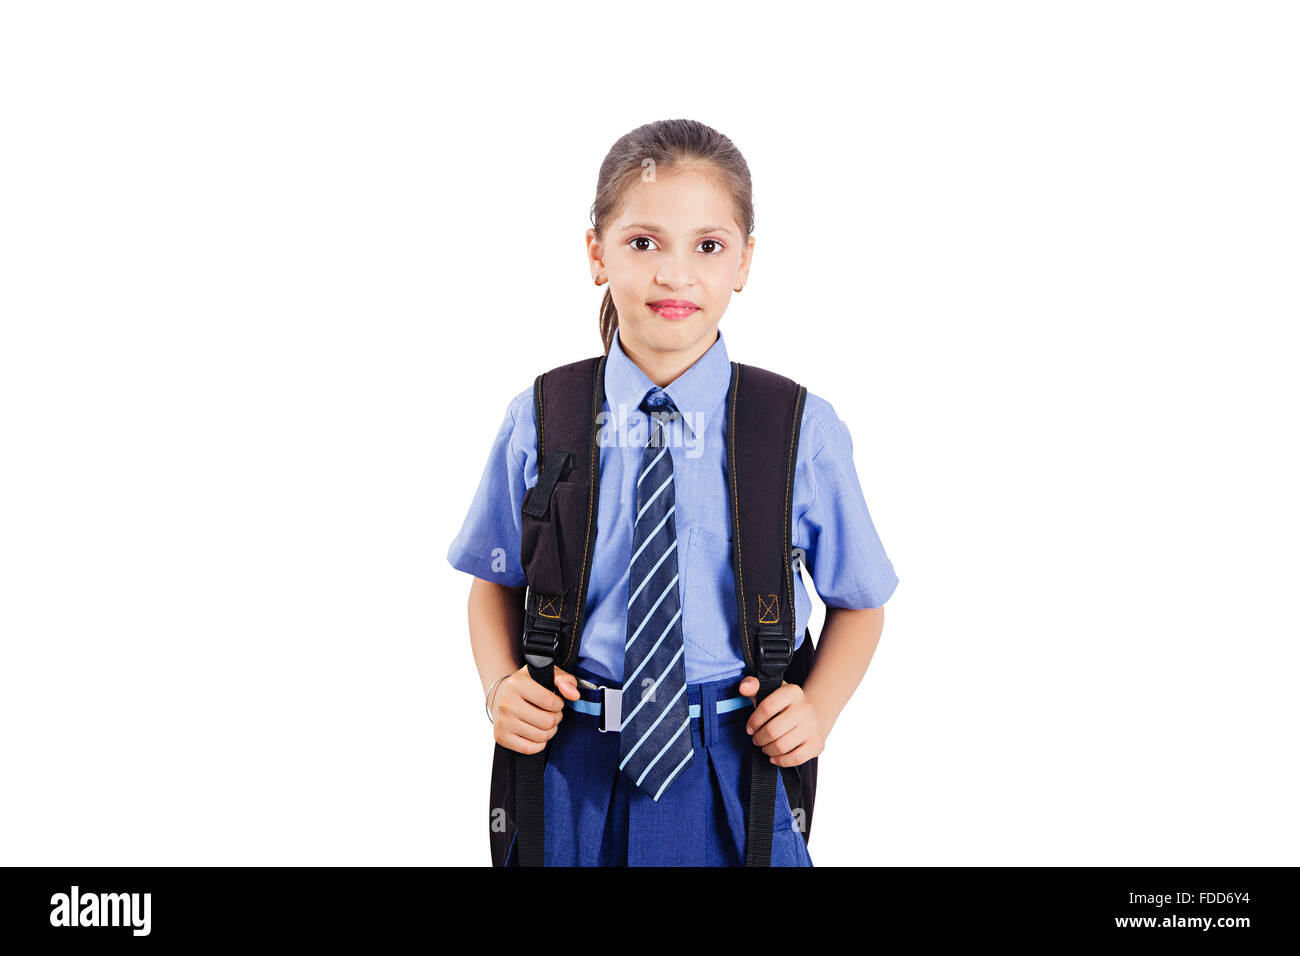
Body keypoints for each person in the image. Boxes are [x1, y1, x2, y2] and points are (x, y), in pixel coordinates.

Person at [448, 118, 898, 866]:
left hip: (732, 762)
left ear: (746, 262)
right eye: (643, 242)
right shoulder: (542, 416)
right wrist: (499, 685)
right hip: (571, 760)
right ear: (596, 253)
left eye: (709, 246)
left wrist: (817, 708)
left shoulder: (794, 429)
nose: (675, 274)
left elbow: (861, 599)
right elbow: (493, 581)